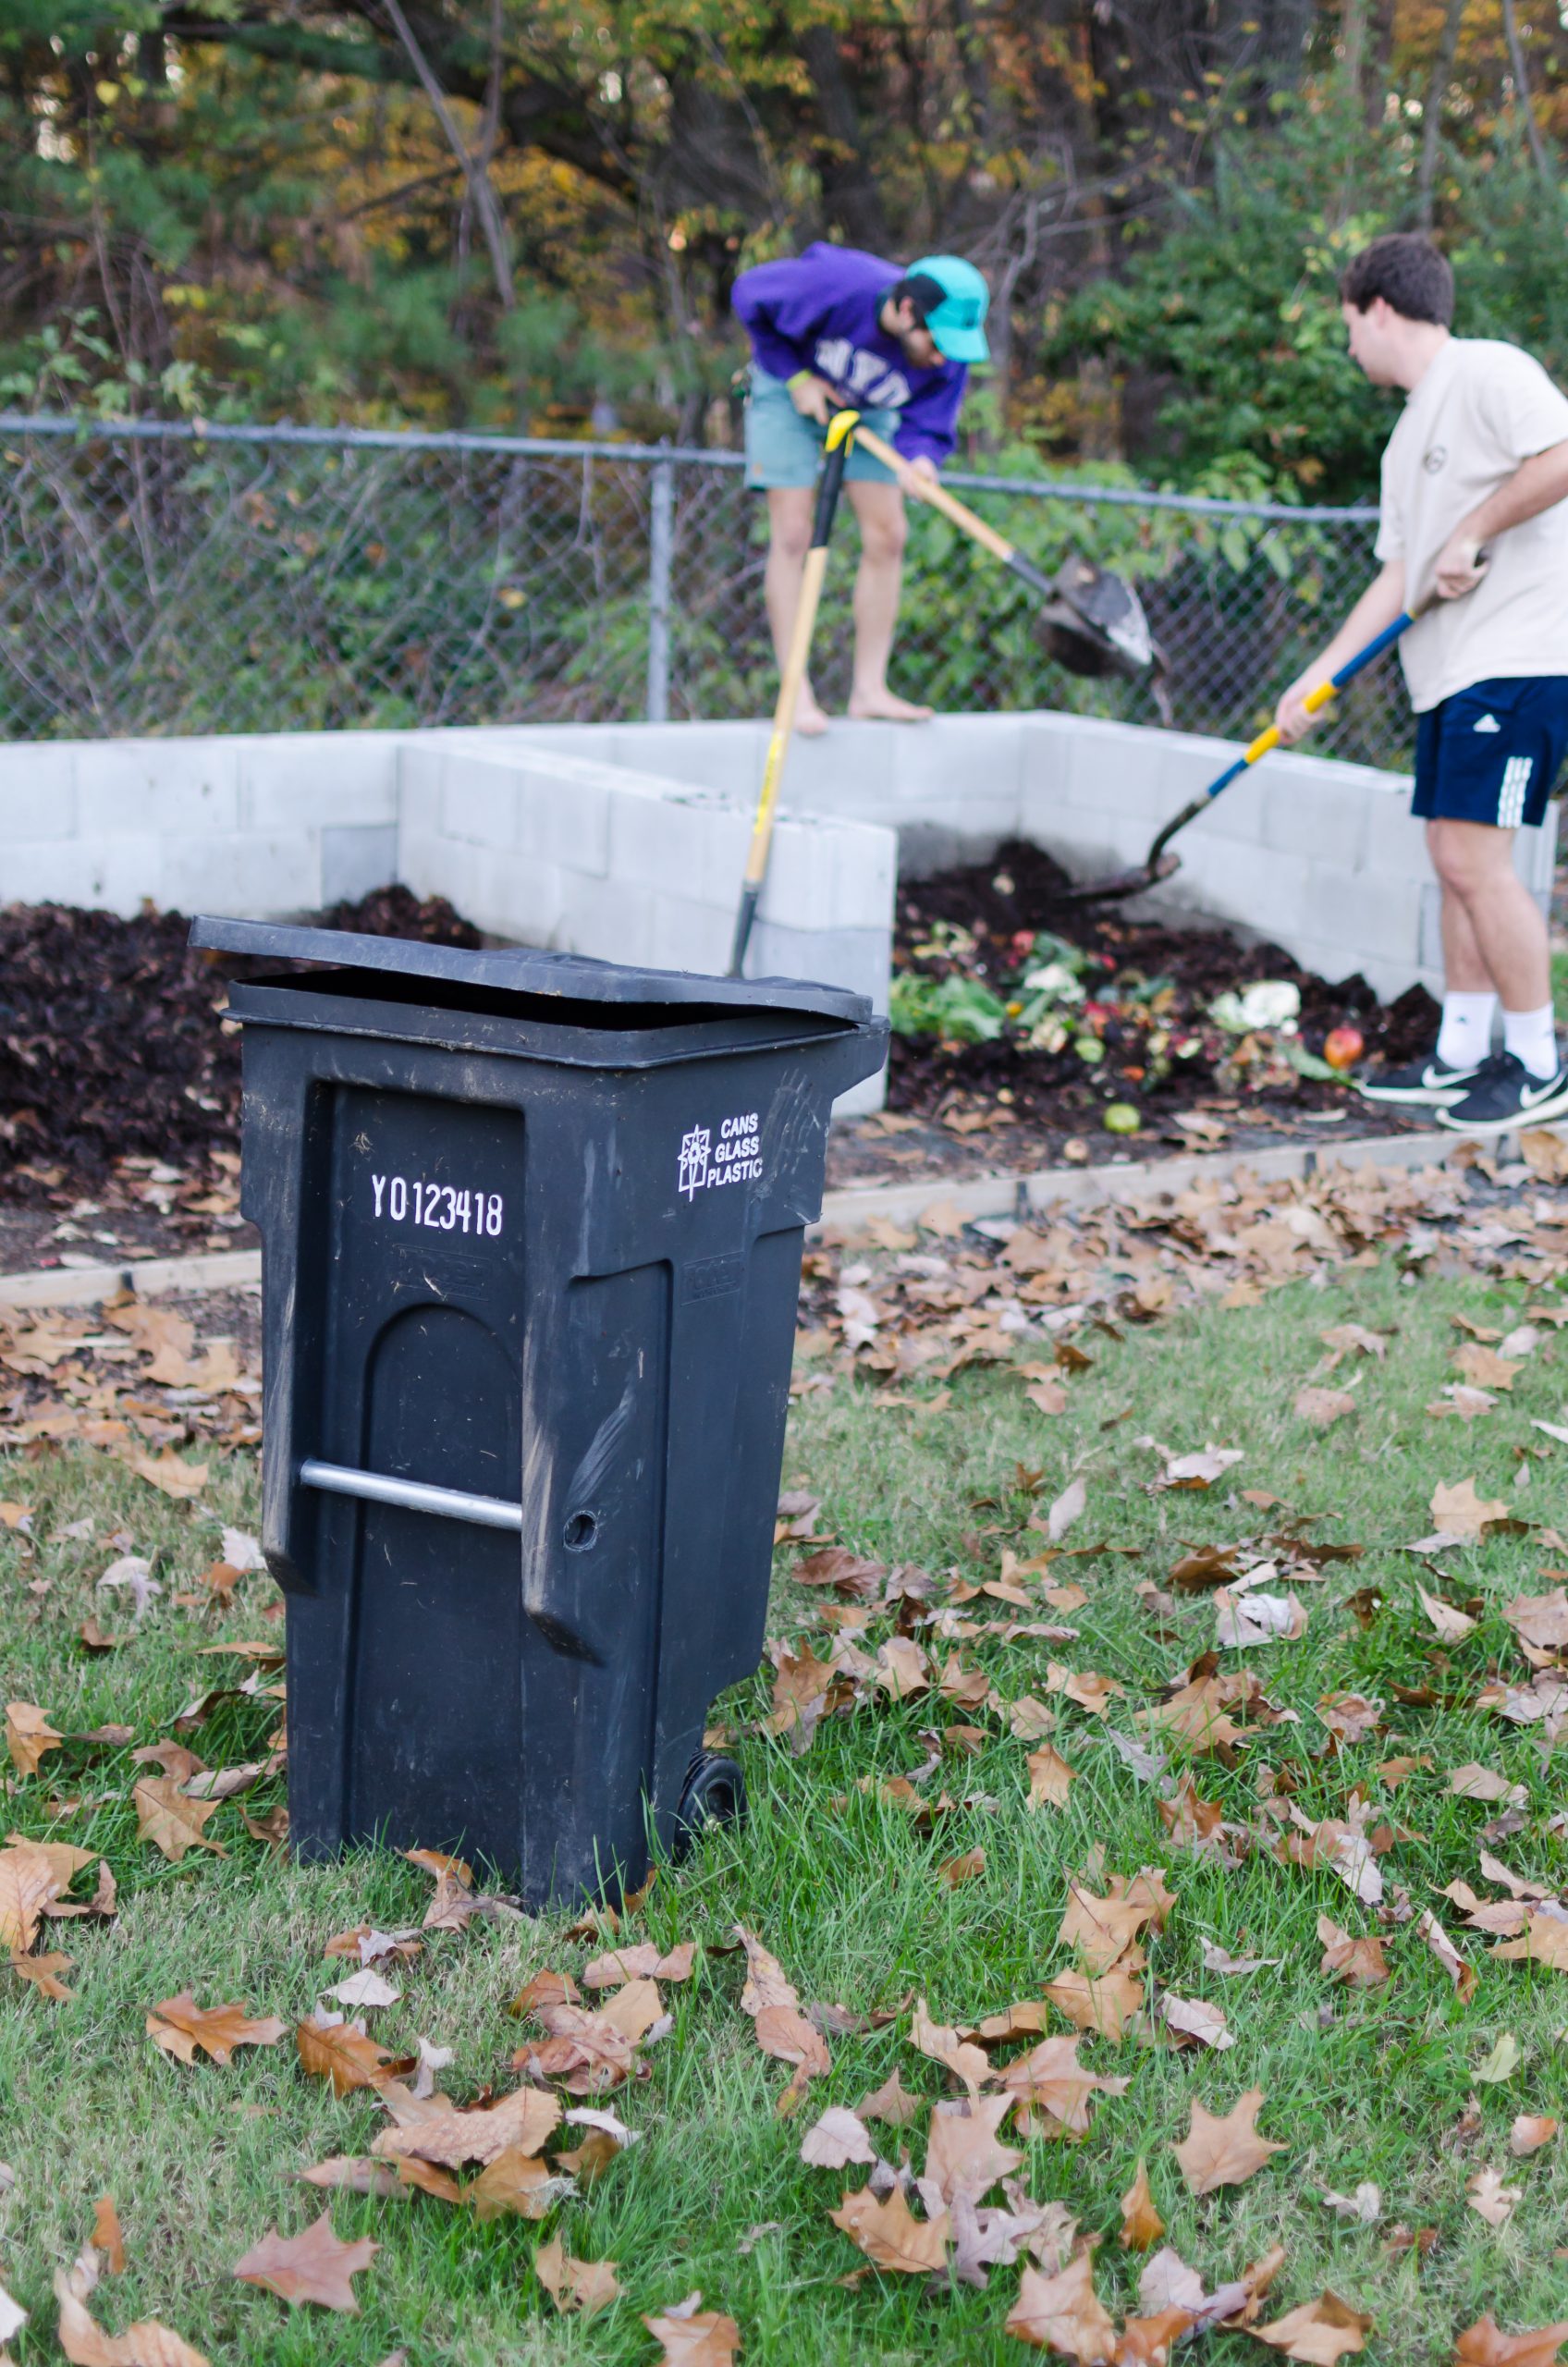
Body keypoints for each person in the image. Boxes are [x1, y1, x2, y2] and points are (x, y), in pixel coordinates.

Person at [1274, 231, 1568, 1135]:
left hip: (1520, 656)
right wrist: (1318, 677)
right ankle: (1460, 1054)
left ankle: (1538, 1064)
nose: (1349, 346)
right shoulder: (1406, 440)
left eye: (1347, 326)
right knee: (1452, 862)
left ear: (1379, 308)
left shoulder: (1487, 371)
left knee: (1476, 861)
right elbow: (1397, 575)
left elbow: (1560, 455)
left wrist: (1471, 529)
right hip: (1447, 674)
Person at [731, 244, 988, 734]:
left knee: (889, 534)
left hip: (869, 408)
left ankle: (869, 690)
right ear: (907, 309)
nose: (942, 357)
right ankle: (795, 692)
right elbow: (748, 296)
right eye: (936, 342)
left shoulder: (947, 352)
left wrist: (921, 462)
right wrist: (797, 376)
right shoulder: (835, 283)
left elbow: (929, 422)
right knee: (792, 533)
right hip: (790, 393)